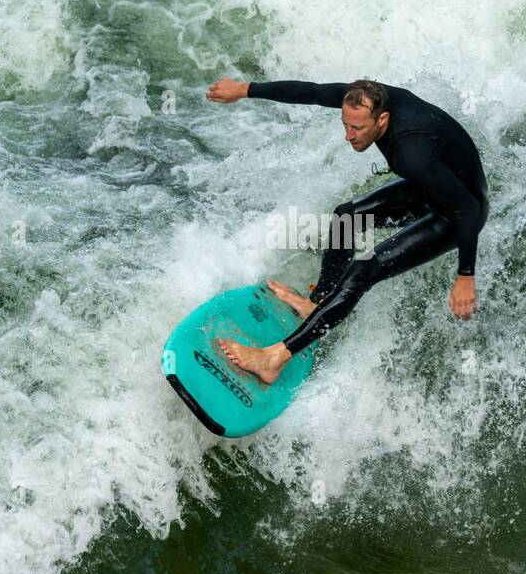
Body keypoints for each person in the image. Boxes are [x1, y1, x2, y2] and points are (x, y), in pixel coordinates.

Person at [204, 77, 489, 384]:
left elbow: (468, 209)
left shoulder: (412, 153)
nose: (348, 136)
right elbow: (312, 92)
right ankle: (320, 303)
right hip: (431, 187)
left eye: (357, 129)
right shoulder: (368, 97)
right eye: (345, 125)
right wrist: (246, 90)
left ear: (383, 119)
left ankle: (275, 359)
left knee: (363, 270)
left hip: (458, 213)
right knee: (347, 217)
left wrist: (465, 276)